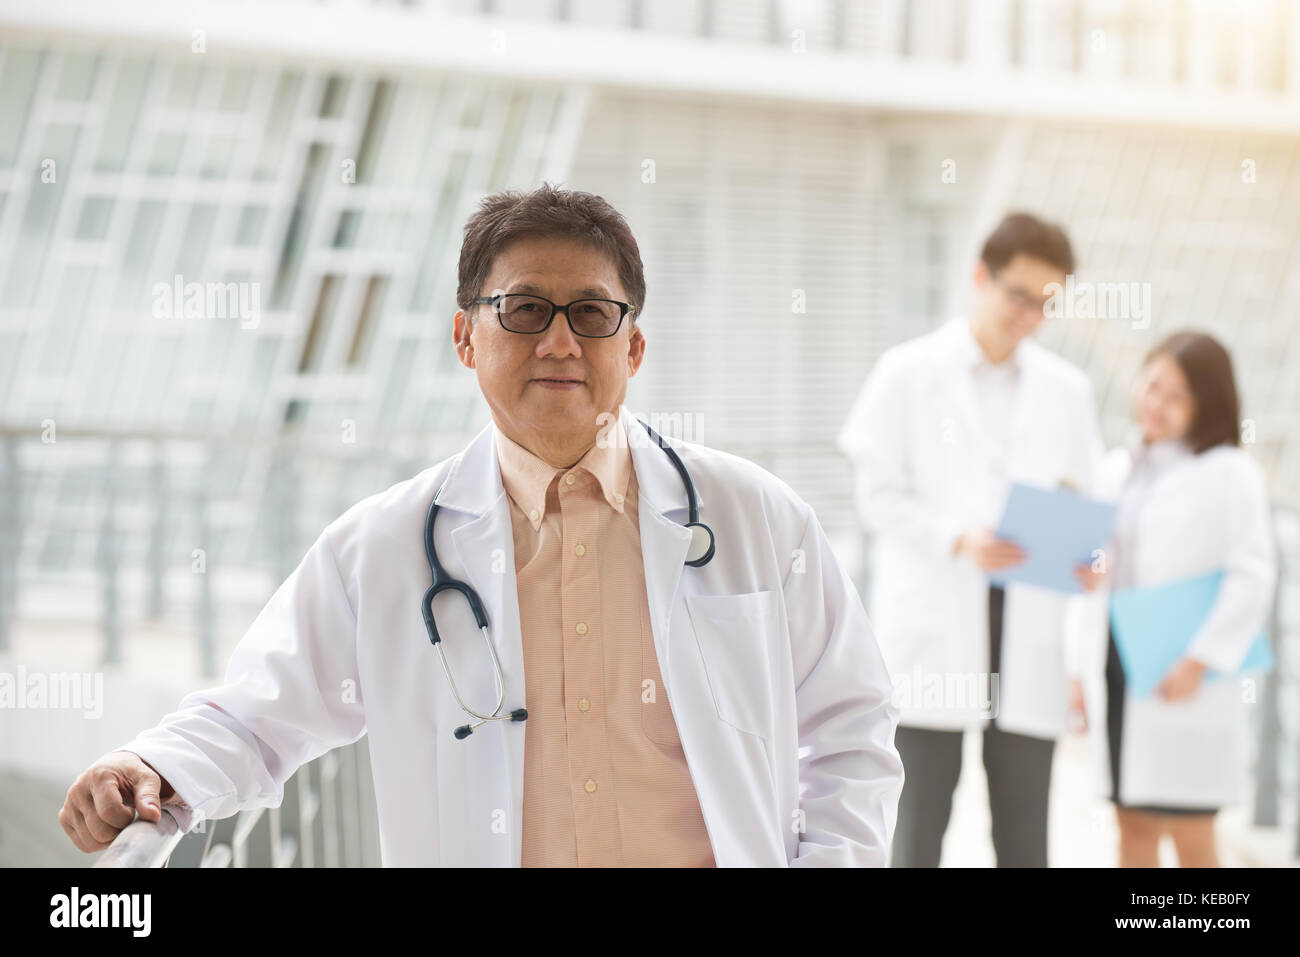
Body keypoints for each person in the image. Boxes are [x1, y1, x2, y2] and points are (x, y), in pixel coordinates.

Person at [59, 183, 904, 867]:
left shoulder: (757, 519)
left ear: (634, 347)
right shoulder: (383, 548)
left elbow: (851, 723)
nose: (562, 341)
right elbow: (256, 714)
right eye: (526, 310)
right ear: (466, 337)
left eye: (592, 314)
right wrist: (153, 767)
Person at [836, 212, 1105, 867]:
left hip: (1027, 636)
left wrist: (1087, 556)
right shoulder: (906, 372)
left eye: (1046, 303)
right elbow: (877, 495)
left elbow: (1089, 501)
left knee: (1024, 840)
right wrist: (956, 538)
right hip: (935, 631)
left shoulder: (1067, 390)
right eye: (1019, 296)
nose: (1030, 316)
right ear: (979, 276)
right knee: (917, 833)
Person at [1083, 332, 1275, 867]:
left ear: (1207, 404)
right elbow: (1102, 565)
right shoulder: (1119, 467)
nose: (1155, 404)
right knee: (1131, 823)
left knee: (1191, 828)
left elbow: (1253, 574)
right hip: (1118, 667)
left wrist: (1199, 660)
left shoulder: (1232, 473)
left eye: (1176, 396)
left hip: (1188, 671)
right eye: (1151, 386)